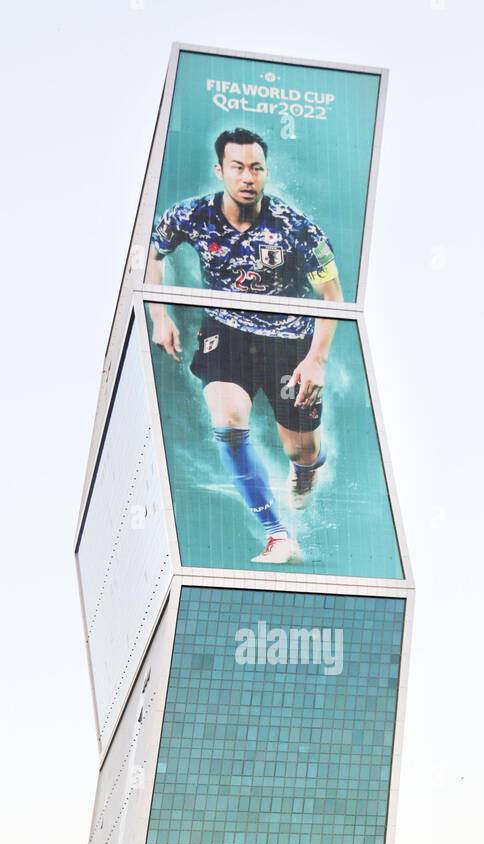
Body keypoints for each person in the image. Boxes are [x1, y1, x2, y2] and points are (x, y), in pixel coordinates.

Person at [146, 128, 343, 563]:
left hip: (289, 343)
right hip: (227, 332)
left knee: (300, 448)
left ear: (265, 173)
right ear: (221, 170)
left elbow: (333, 297)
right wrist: (160, 316)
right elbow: (152, 255)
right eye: (238, 167)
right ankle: (277, 535)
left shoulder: (294, 228)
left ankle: (308, 467)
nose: (248, 177)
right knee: (229, 422)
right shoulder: (189, 216)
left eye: (256, 168)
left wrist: (316, 360)